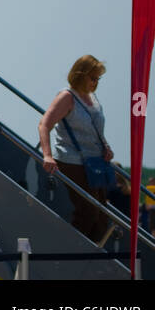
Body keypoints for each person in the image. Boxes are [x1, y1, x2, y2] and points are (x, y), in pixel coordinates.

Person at [38, 55, 115, 243]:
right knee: (87, 213)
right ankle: (72, 253)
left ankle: (90, 259)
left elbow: (94, 129)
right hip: (72, 161)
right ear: (81, 75)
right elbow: (44, 124)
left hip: (95, 162)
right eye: (93, 78)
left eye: (98, 79)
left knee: (102, 217)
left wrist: (105, 146)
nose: (96, 83)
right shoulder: (67, 96)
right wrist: (47, 155)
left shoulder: (92, 98)